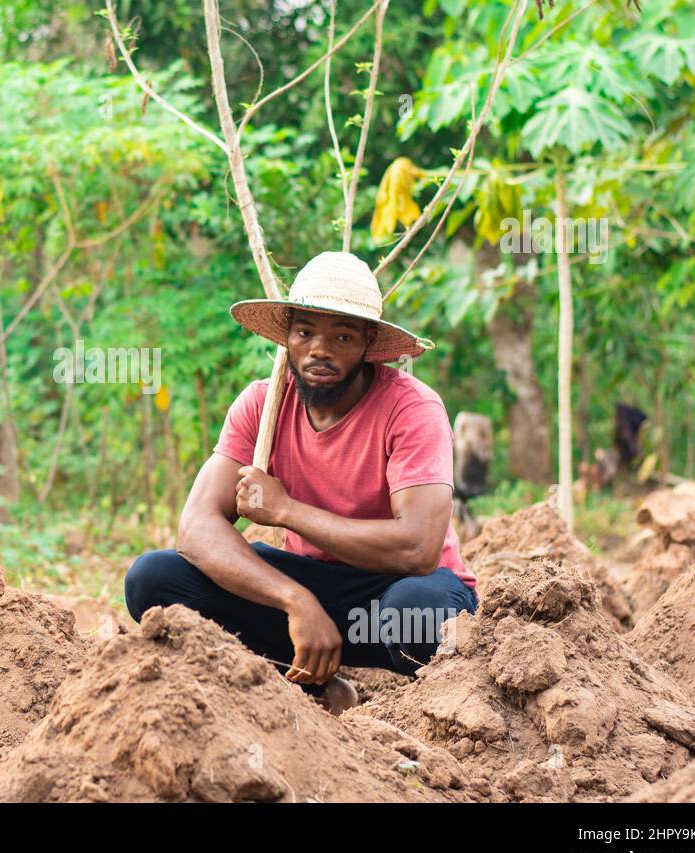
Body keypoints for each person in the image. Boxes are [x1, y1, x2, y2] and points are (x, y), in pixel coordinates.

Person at [124, 251, 477, 714]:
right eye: (305, 332)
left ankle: (427, 712)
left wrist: (286, 511)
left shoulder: (412, 409)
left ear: (368, 343)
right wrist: (295, 600)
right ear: (287, 337)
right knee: (153, 578)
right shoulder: (261, 404)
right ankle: (305, 686)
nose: (319, 350)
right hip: (306, 593)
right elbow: (196, 528)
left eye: (342, 336)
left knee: (419, 614)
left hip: (394, 590)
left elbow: (418, 548)